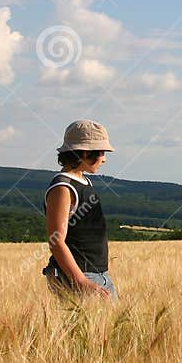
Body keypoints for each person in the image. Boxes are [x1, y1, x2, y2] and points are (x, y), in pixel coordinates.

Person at [42, 119, 118, 301]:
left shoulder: (83, 181)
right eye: (100, 152)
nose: (104, 158)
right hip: (79, 276)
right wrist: (81, 281)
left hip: (98, 274)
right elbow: (56, 241)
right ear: (85, 152)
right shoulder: (63, 187)